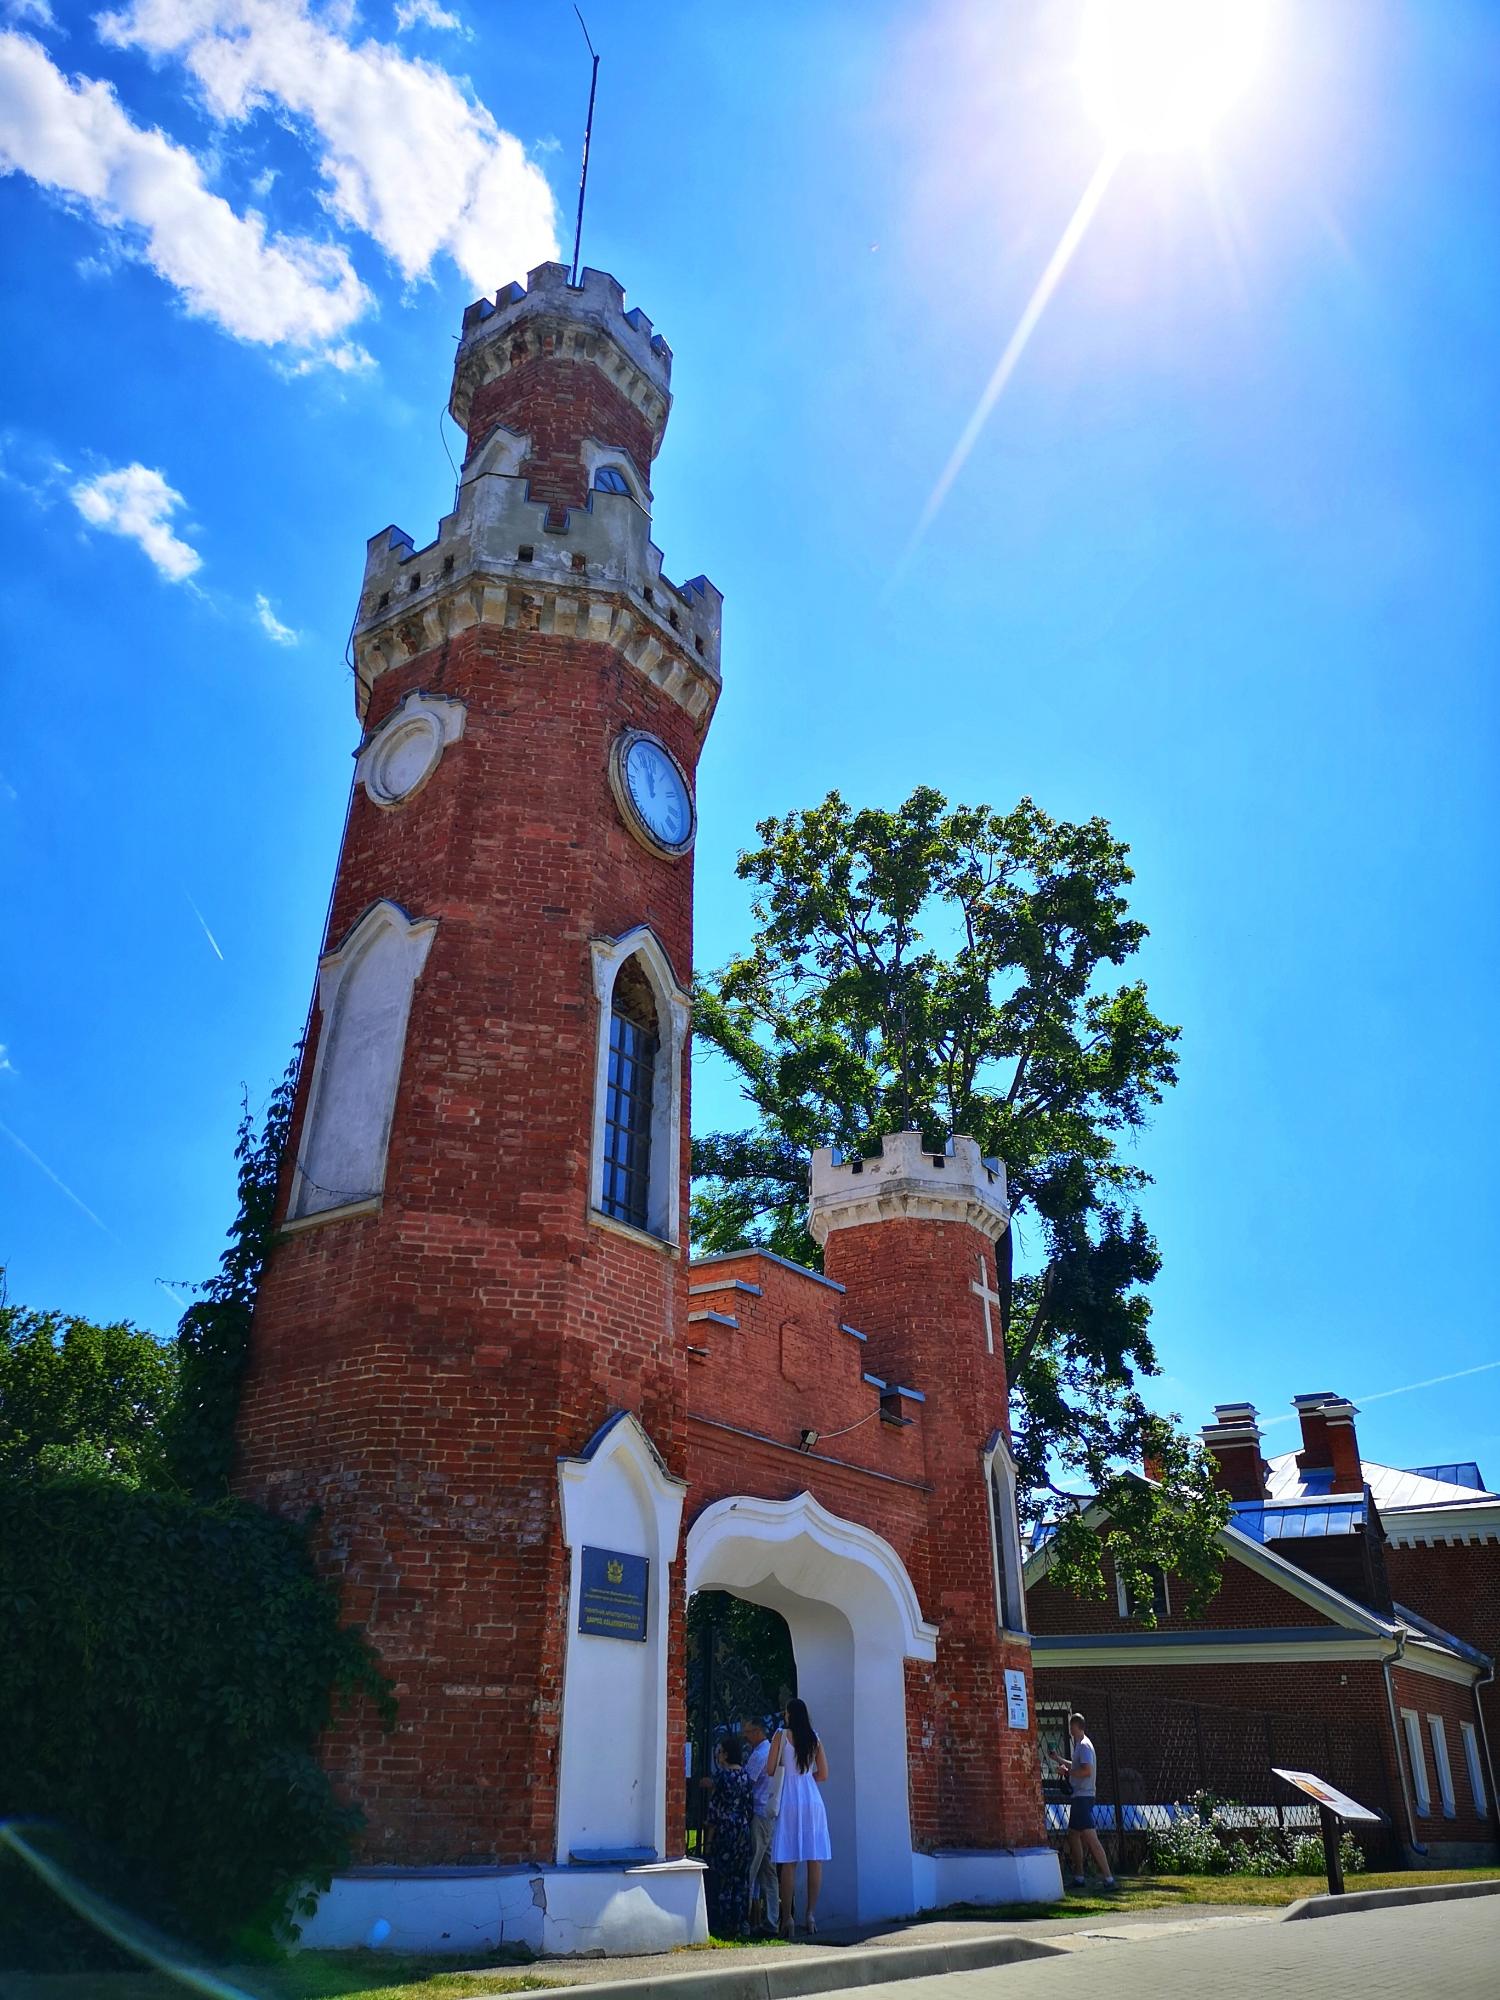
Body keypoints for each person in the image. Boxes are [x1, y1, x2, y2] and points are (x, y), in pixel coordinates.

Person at [767, 1696, 830, 1936]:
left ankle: (787, 1919)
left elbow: (770, 1769)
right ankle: (811, 1914)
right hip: (812, 1798)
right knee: (814, 1859)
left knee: (789, 1861)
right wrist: (806, 1783)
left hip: (789, 1799)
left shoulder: (781, 1736)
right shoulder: (814, 1738)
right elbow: (823, 1774)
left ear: (789, 1715)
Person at [1056, 1711, 1117, 1890]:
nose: (1069, 1729)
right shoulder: (1080, 1746)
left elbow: (1086, 1771)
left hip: (1083, 1797)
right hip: (1080, 1797)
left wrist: (1066, 1773)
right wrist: (1059, 1760)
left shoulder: (1083, 1746)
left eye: (1071, 1726)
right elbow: (1077, 1766)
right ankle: (1079, 1876)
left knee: (1091, 1838)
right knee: (1074, 1835)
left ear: (1076, 1726)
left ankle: (1108, 1879)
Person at [702, 1735, 756, 1937]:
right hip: (742, 1831)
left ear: (725, 1755)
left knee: (723, 1877)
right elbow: (749, 1808)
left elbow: (714, 1812)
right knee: (740, 1879)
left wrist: (708, 1841)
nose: (718, 1756)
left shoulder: (723, 1778)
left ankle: (724, 1921)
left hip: (725, 1832)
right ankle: (741, 1920)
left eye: (719, 1752)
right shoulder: (745, 1776)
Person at [740, 1713, 780, 1934]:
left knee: (752, 1867)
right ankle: (772, 1919)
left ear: (757, 1732)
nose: (745, 1737)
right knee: (768, 1870)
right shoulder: (768, 1752)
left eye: (747, 1732)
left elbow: (747, 1783)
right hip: (770, 1814)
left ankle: (745, 1918)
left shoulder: (759, 1755)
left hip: (759, 1814)